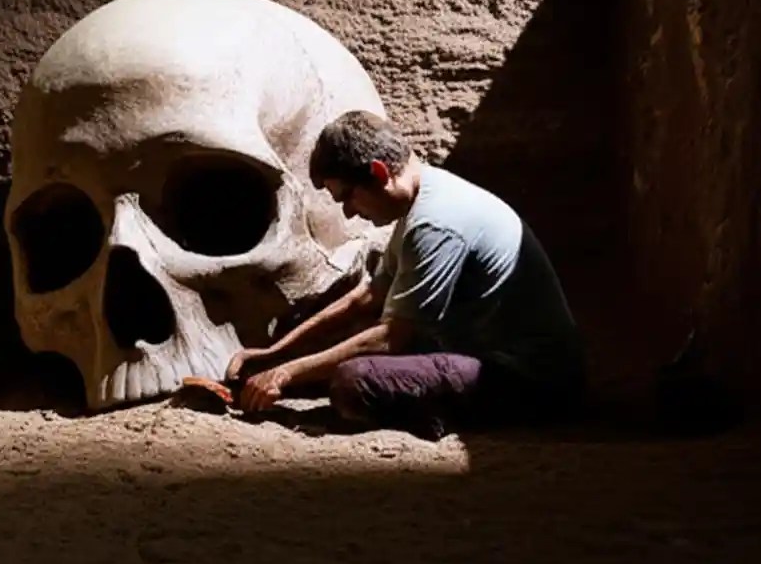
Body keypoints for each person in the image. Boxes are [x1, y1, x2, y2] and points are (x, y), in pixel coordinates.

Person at [225, 110, 586, 438]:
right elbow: (366, 298)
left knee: (354, 381)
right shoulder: (424, 198)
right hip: (486, 354)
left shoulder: (435, 222)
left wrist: (286, 373)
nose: (350, 213)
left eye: (348, 197)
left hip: (529, 380)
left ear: (380, 173)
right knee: (333, 365)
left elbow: (389, 339)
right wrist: (275, 354)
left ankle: (438, 417)